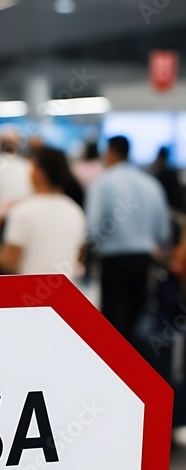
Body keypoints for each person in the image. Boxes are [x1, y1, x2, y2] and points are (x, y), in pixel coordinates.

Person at [86, 135, 170, 341]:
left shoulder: (102, 182)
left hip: (114, 261)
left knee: (114, 324)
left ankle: (115, 360)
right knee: (136, 322)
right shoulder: (150, 183)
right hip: (144, 259)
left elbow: (93, 226)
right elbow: (163, 230)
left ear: (111, 152)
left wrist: (88, 255)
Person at [0, 146, 86, 276]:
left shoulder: (23, 211)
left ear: (40, 173)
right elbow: (79, 254)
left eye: (31, 166)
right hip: (66, 286)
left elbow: (9, 264)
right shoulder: (75, 211)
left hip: (30, 287)